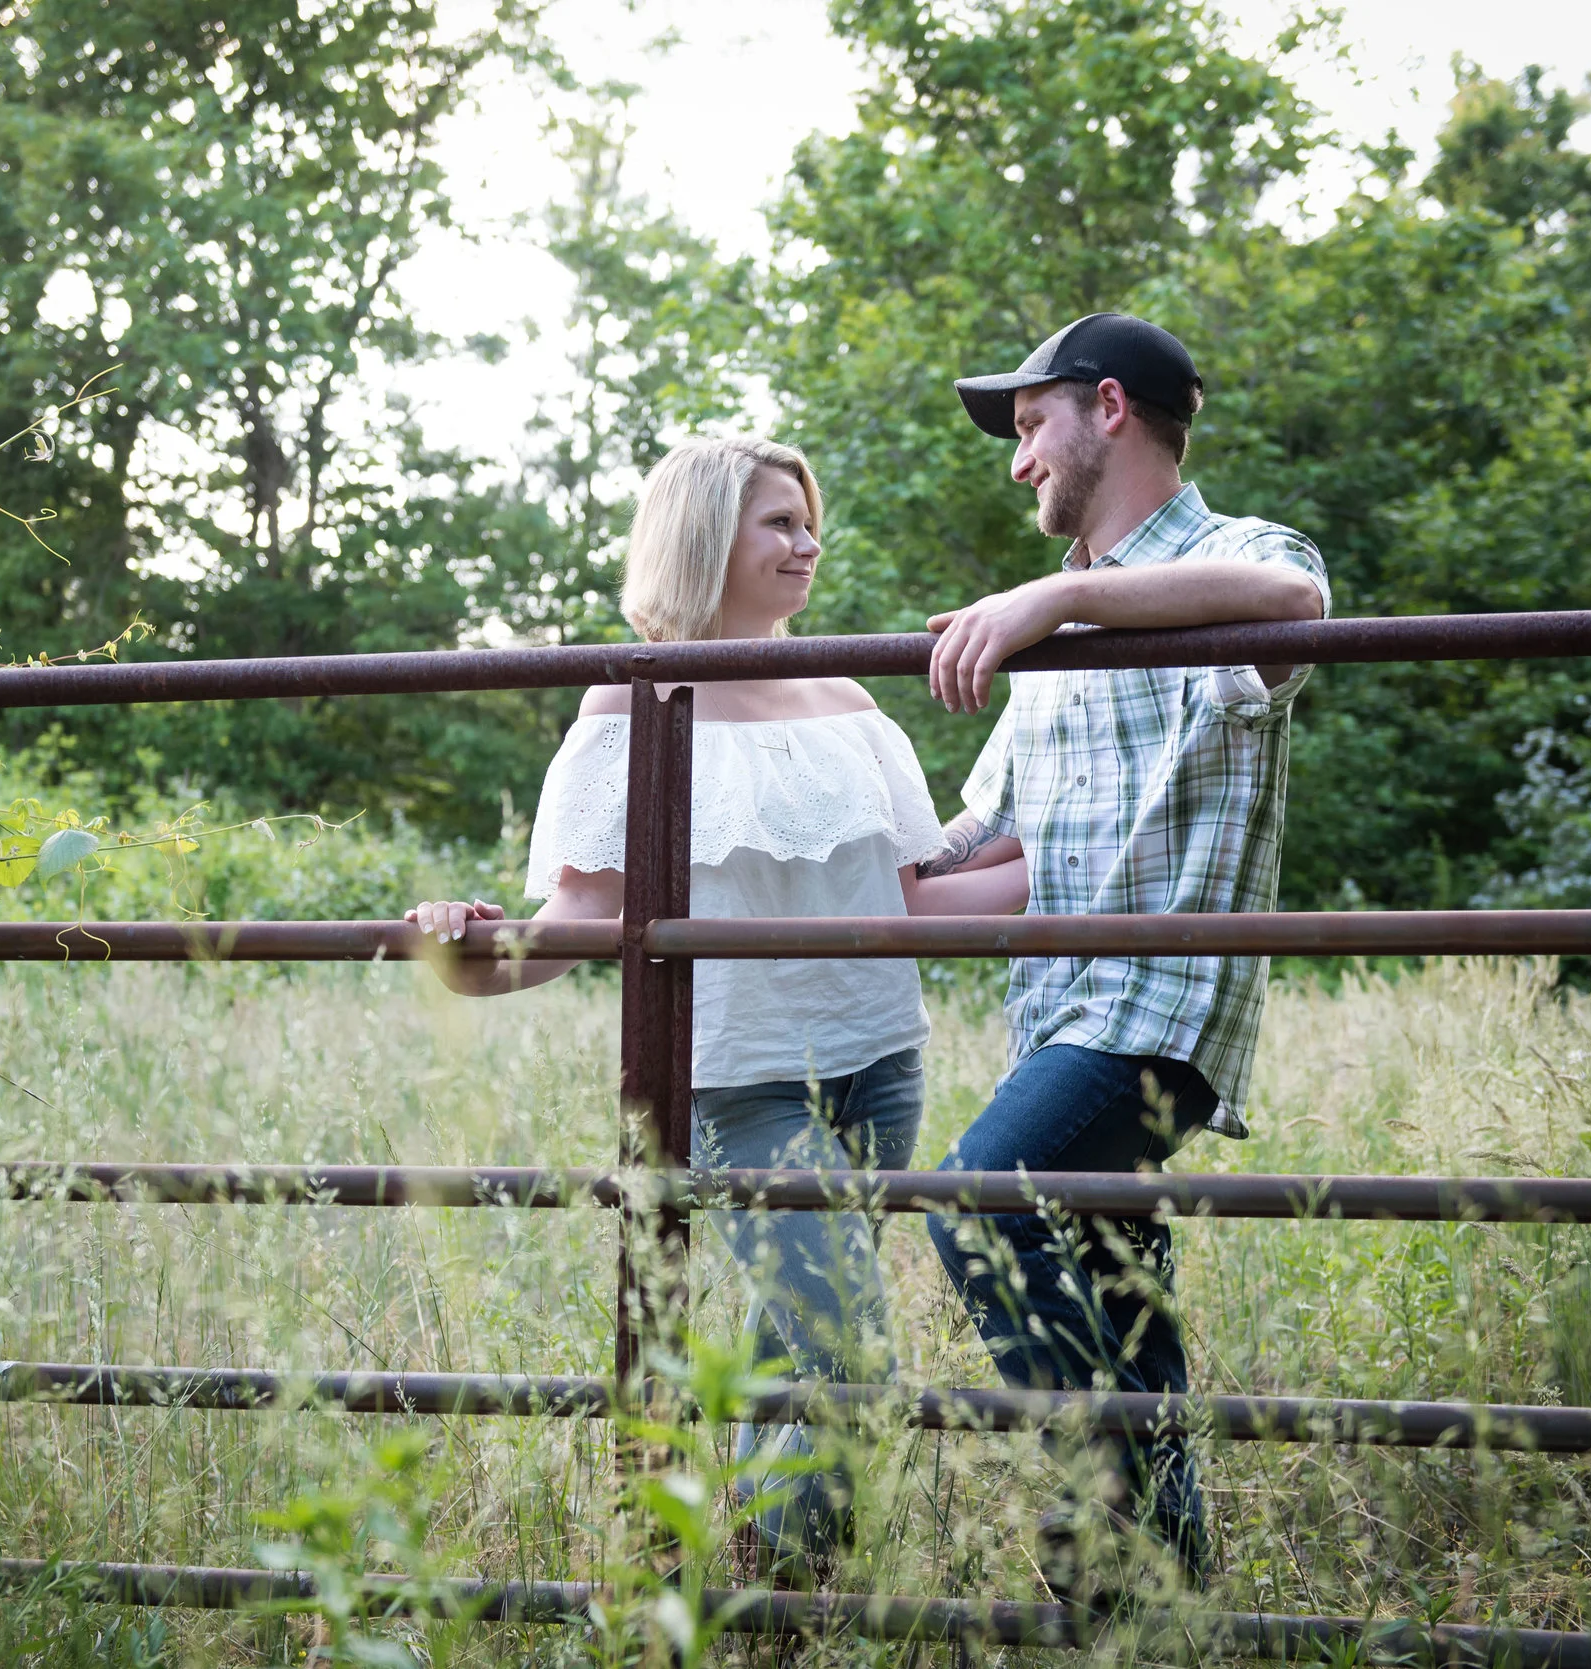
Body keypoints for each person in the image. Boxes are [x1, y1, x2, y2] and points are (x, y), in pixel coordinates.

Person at [406, 435, 1027, 1578]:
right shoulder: (639, 692)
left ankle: (771, 1583)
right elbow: (589, 913)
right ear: (704, 539)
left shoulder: (843, 685)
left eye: (807, 520)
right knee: (847, 1348)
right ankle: (781, 1584)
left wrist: (1074, 857)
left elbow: (909, 899)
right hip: (739, 1077)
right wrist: (468, 956)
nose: (807, 543)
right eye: (778, 523)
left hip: (880, 1058)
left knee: (792, 1340)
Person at [917, 314, 1331, 1601]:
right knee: (1124, 1308)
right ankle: (1170, 1595)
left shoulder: (1228, 554)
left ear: (1109, 407)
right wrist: (801, 871)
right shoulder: (1038, 644)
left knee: (981, 1185)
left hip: (1156, 1009)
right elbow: (974, 847)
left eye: (1029, 422)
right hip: (1061, 1009)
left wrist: (1064, 594)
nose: (1016, 458)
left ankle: (1101, 1528)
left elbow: (1296, 604)